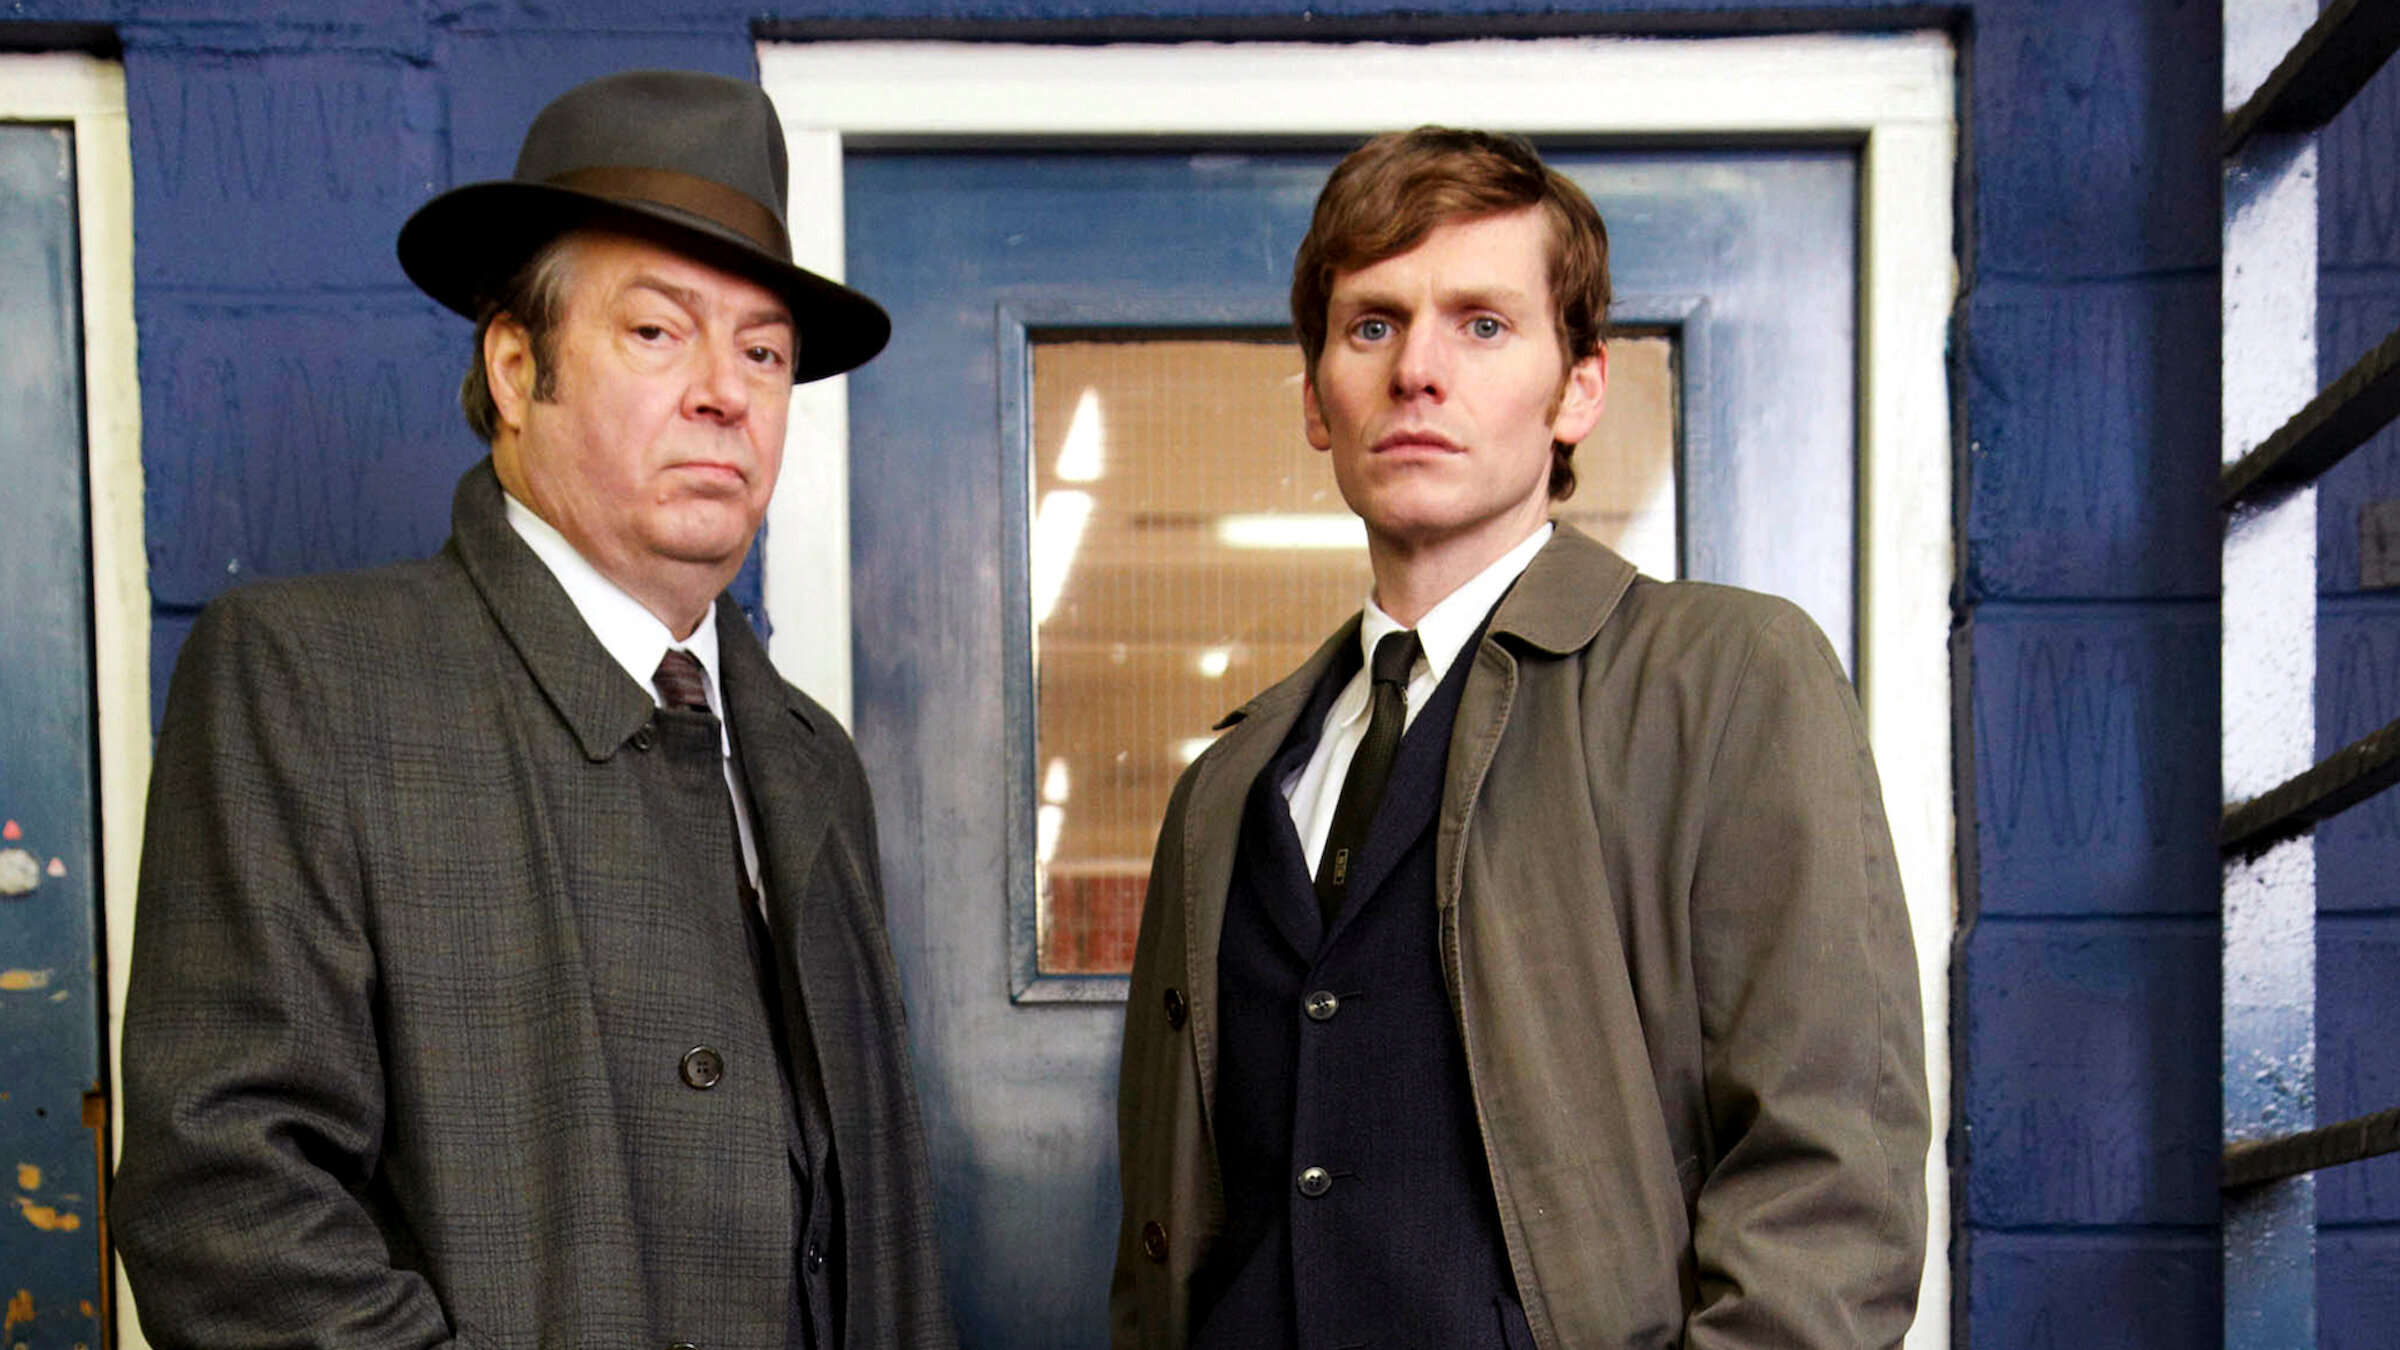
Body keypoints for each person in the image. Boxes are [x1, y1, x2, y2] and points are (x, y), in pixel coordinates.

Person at [115, 69, 954, 1350]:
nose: (727, 393)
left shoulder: (812, 759)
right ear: (516, 368)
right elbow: (224, 1207)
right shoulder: (306, 684)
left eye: (765, 352)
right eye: (658, 331)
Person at [1112, 127, 1929, 1349]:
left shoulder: (1724, 677)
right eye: (1372, 325)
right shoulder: (1229, 783)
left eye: (1483, 325)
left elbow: (1831, 1184)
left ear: (1578, 388)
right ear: (1317, 400)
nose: (1417, 372)